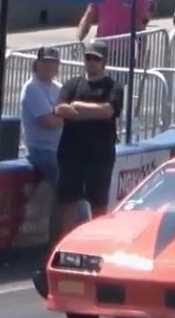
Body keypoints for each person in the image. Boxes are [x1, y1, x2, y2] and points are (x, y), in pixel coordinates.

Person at [54, 41, 125, 236]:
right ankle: (66, 247)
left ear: (104, 62)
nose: (91, 62)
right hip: (71, 154)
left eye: (96, 59)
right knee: (68, 203)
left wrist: (77, 106)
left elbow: (107, 111)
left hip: (99, 157)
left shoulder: (114, 87)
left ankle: (96, 245)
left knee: (98, 206)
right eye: (88, 58)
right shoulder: (72, 84)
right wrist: (90, 112)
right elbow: (59, 109)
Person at [20, 48, 63, 188]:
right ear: (36, 64)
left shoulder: (58, 88)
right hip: (40, 150)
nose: (49, 66)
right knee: (69, 185)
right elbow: (49, 121)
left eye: (53, 62)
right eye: (45, 62)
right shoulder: (32, 87)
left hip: (59, 149)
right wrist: (69, 116)